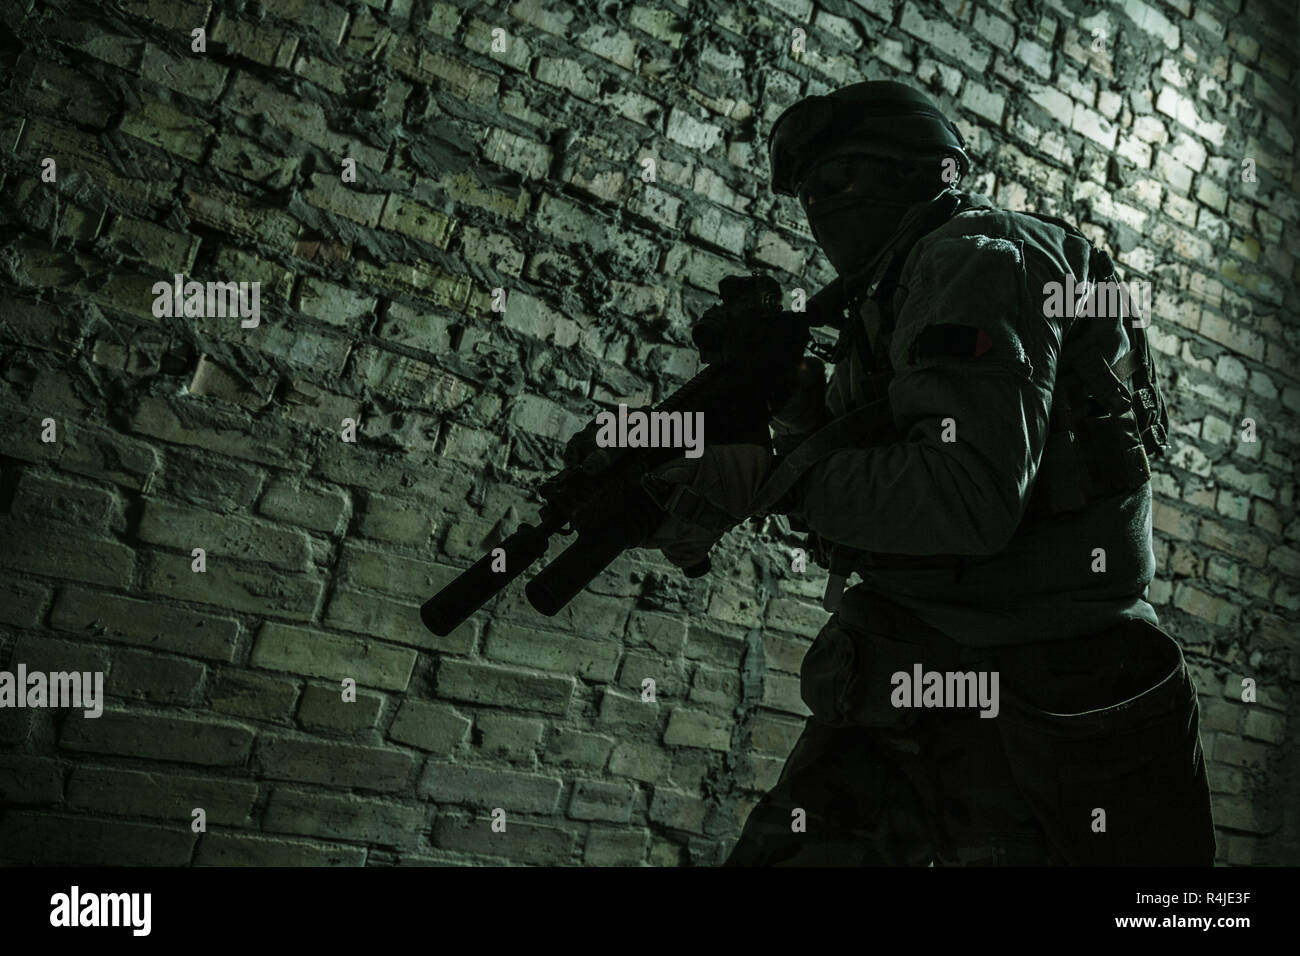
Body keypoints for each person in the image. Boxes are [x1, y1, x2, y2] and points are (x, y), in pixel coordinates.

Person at [642, 81, 1217, 866]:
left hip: (1036, 696)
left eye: (845, 179)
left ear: (927, 173)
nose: (823, 207)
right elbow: (894, 511)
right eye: (810, 191)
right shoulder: (894, 287)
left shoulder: (971, 261)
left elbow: (963, 501)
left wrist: (776, 482)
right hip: (915, 667)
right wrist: (801, 430)